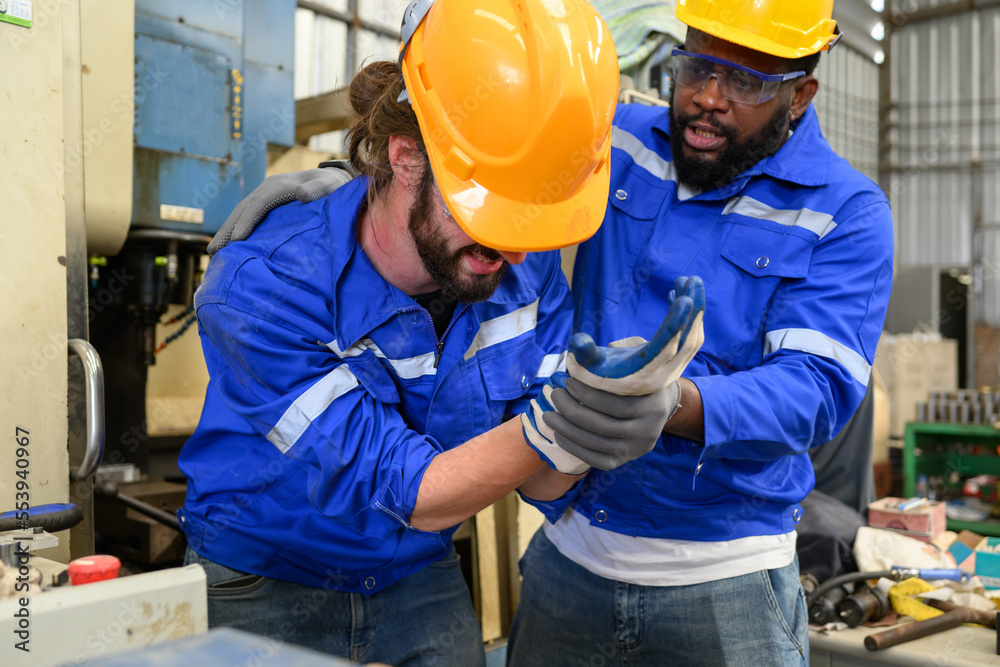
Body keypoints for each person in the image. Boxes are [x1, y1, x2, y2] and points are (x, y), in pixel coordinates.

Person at [177, 1, 703, 666]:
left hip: (416, 574)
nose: (511, 252)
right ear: (405, 157)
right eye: (493, 208)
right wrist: (557, 425)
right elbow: (410, 489)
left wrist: (603, 413)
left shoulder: (521, 263)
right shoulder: (263, 284)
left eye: (528, 214)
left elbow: (539, 485)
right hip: (262, 581)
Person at [505, 1, 894, 666]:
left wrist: (678, 406)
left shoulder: (844, 211)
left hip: (726, 585)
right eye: (697, 67)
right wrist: (355, 196)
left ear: (800, 94)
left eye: (746, 82)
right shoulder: (615, 143)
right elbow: (497, 186)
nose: (709, 99)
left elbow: (816, 387)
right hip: (568, 562)